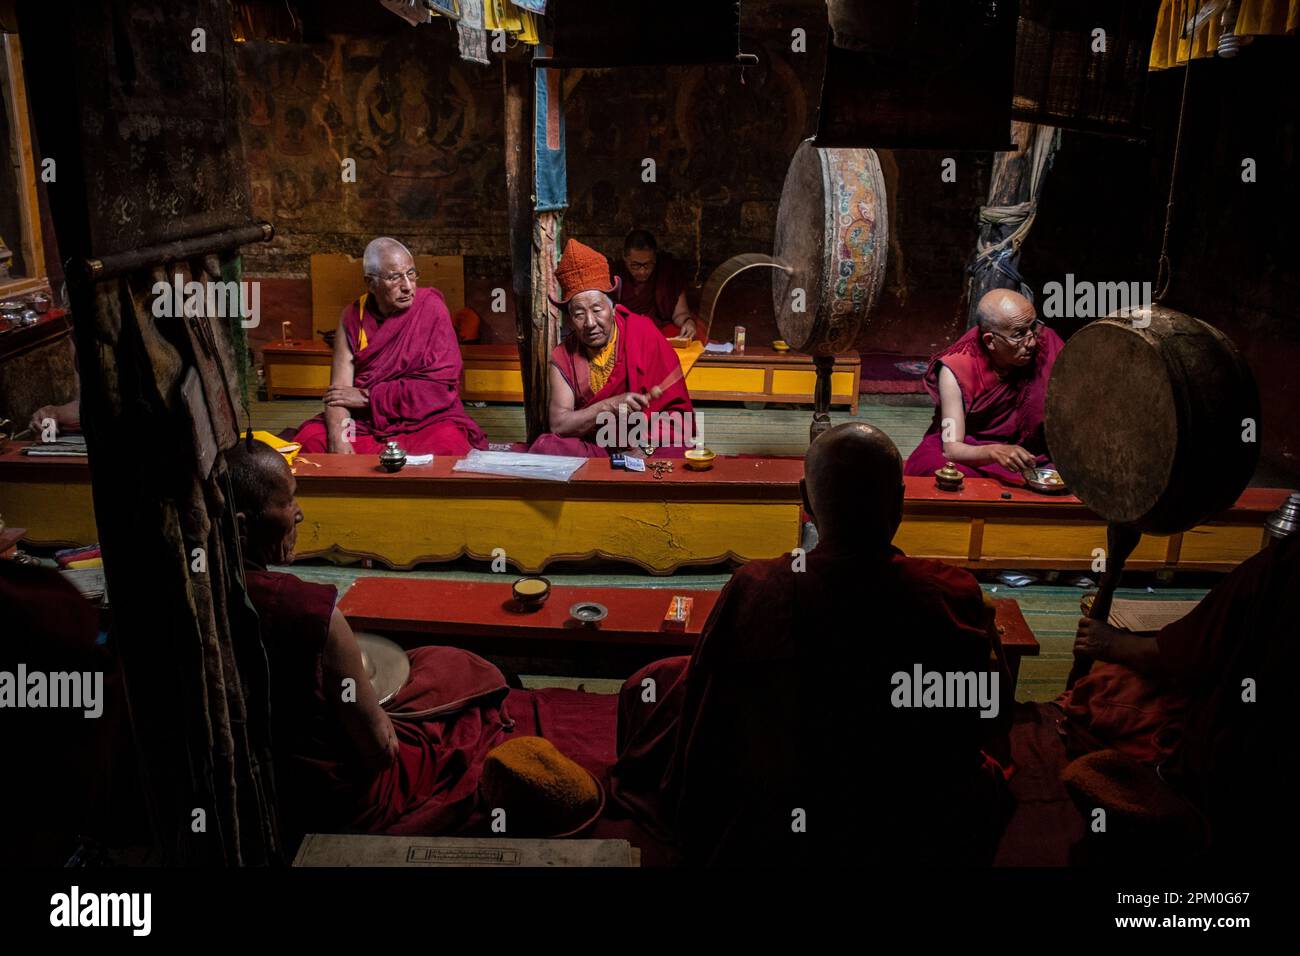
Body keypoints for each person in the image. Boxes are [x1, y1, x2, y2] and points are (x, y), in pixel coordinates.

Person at [608, 422, 1011, 865]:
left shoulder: (756, 587)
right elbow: (982, 718)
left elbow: (711, 704)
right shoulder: (949, 591)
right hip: (898, 817)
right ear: (899, 501)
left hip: (775, 815)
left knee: (656, 685)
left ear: (804, 502)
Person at [226, 437, 513, 845]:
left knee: (430, 662)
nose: (300, 513)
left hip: (255, 780)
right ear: (240, 525)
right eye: (287, 503)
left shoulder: (193, 597)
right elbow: (382, 752)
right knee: (455, 682)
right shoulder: (307, 610)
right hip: (333, 799)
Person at [1058, 531, 1298, 863]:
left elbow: (1190, 655)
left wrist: (1114, 645)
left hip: (1241, 770)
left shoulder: (1285, 564)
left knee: (1106, 689)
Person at [292, 237, 487, 455]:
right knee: (311, 440)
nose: (407, 286)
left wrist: (368, 397)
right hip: (367, 422)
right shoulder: (353, 317)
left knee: (449, 444)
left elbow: (440, 389)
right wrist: (340, 437)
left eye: (411, 274)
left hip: (423, 420)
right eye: (395, 277)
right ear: (371, 283)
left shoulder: (431, 308)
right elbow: (339, 394)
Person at [529, 239, 694, 459]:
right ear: (569, 320)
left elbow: (678, 416)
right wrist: (608, 406)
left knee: (681, 450)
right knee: (546, 447)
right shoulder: (563, 357)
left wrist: (646, 447)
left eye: (597, 310)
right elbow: (559, 424)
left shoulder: (643, 333)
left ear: (614, 307)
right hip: (596, 445)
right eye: (579, 314)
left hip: (645, 440)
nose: (589, 323)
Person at [904, 289, 1064, 484]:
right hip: (976, 452)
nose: (1031, 342)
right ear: (990, 341)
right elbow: (952, 448)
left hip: (1032, 453)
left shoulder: (1046, 343)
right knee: (935, 468)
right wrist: (995, 452)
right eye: (1019, 334)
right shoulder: (955, 368)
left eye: (1033, 327)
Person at [613, 230, 697, 340]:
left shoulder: (667, 273)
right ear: (625, 258)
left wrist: (688, 322)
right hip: (626, 333)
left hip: (658, 331)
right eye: (635, 265)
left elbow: (680, 314)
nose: (642, 271)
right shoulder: (616, 276)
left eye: (648, 265)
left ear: (655, 259)